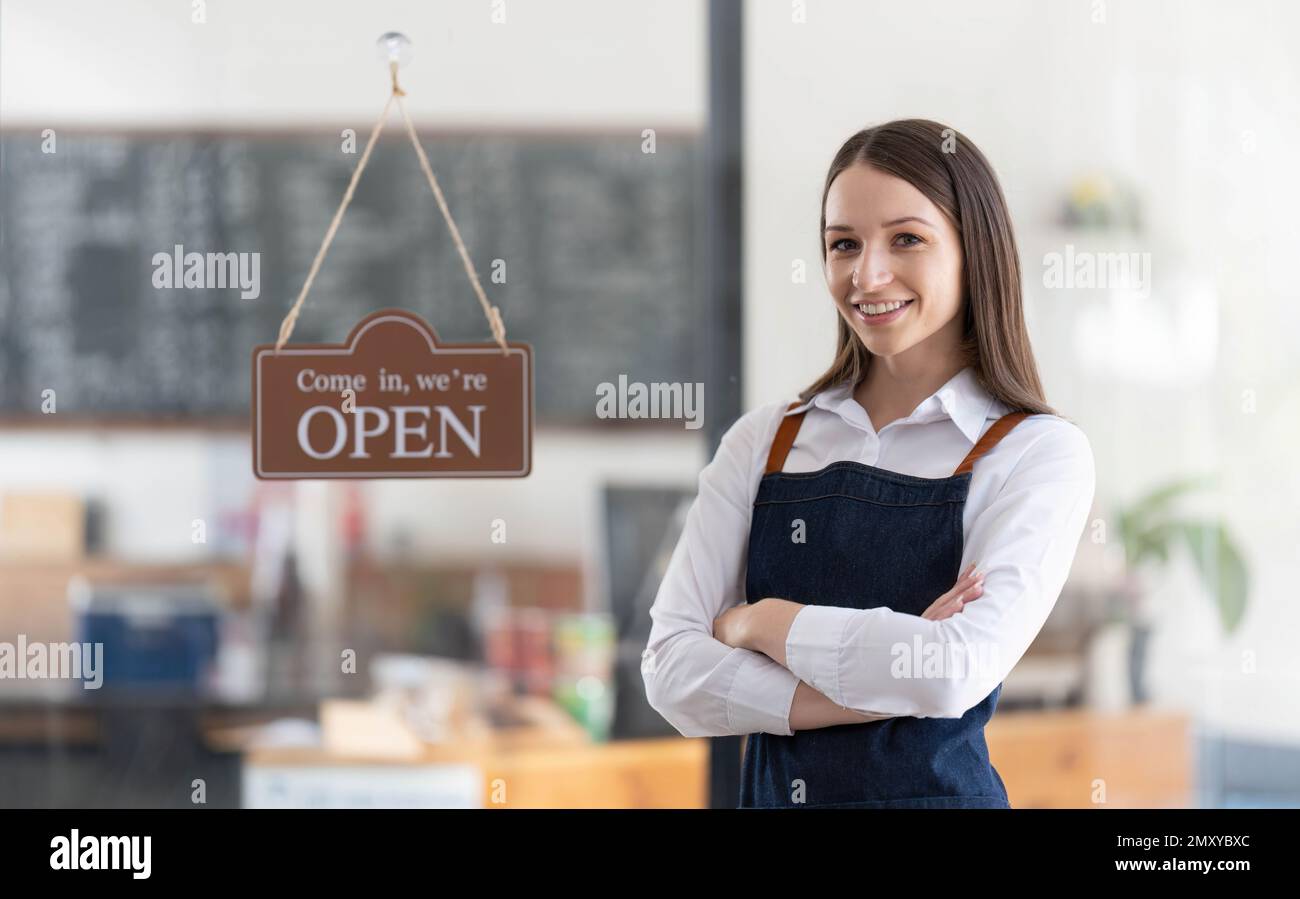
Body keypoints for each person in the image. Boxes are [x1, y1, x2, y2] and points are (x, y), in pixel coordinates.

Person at [642, 119, 1096, 809]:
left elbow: (951, 669)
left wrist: (759, 624)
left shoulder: (1036, 451)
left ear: (974, 251)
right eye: (843, 244)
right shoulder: (763, 442)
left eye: (906, 238)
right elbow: (671, 672)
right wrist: (864, 690)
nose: (867, 274)